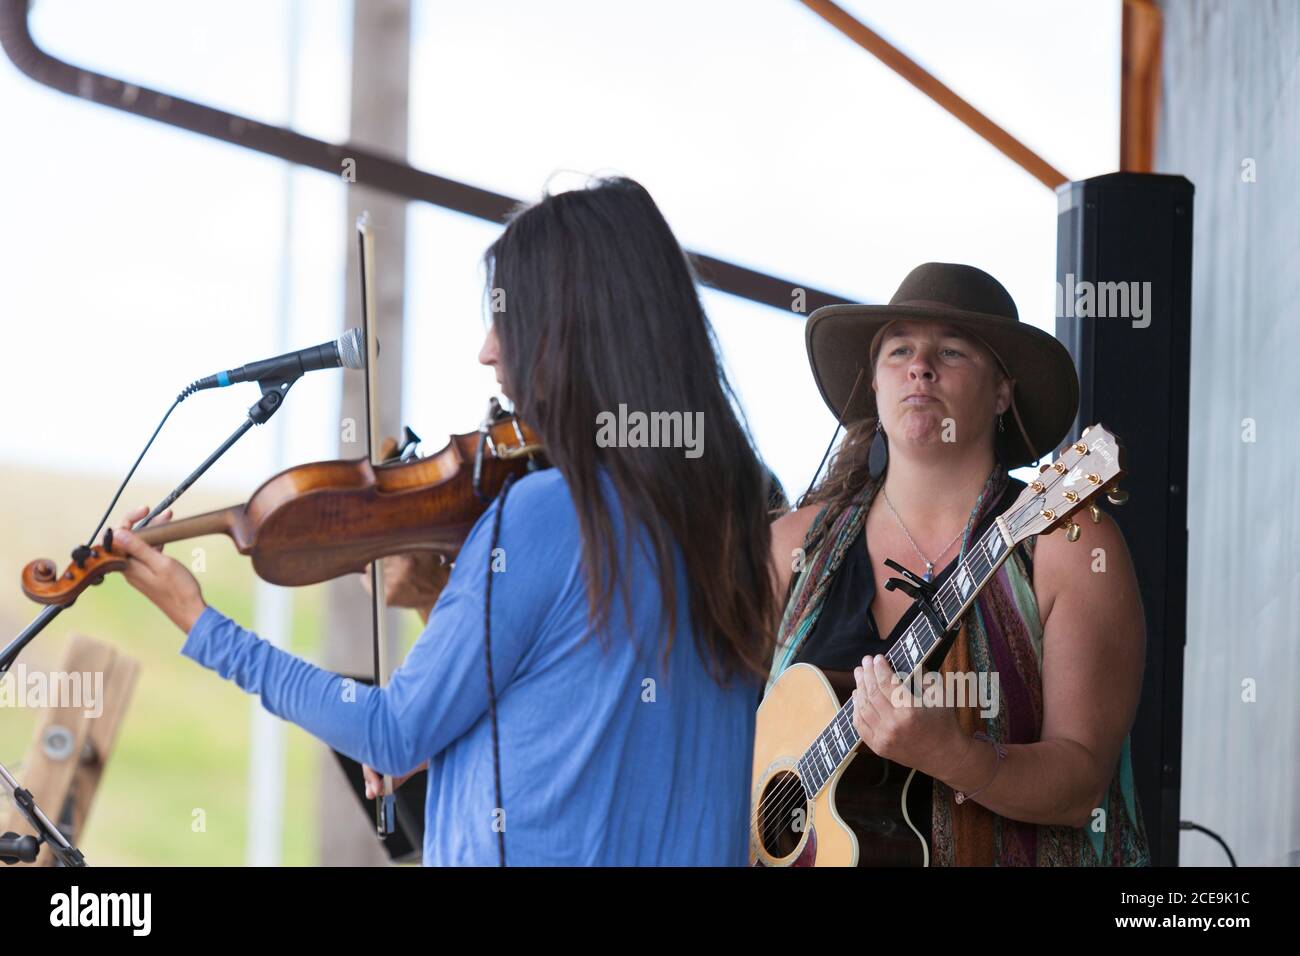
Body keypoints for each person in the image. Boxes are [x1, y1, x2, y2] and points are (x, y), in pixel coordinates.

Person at [113, 176, 780, 865]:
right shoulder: (733, 520)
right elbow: (597, 735)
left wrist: (201, 623)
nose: (488, 349)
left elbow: (391, 732)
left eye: (510, 318)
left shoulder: (547, 513)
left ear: (574, 330)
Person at [767, 262, 1150, 865]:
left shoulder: (1067, 545)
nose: (920, 366)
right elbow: (710, 734)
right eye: (899, 351)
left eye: (950, 351)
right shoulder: (794, 546)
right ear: (873, 384)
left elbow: (1081, 786)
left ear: (1002, 390)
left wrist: (953, 756)